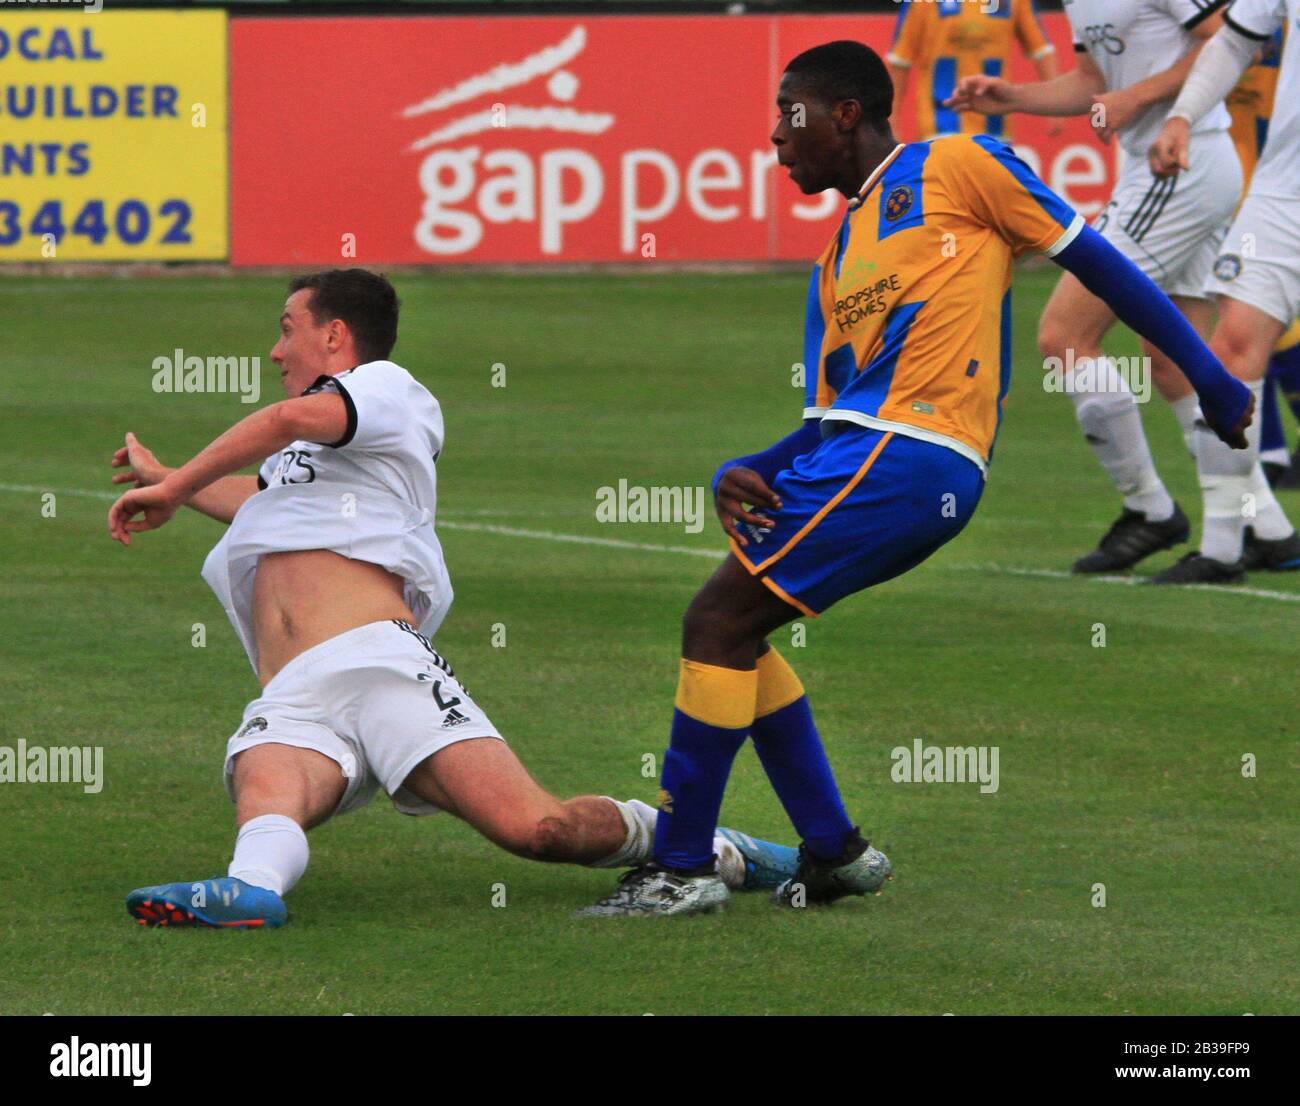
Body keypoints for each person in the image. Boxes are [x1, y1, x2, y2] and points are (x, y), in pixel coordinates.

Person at [582, 40, 1251, 918]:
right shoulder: (832, 266)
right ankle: (834, 853)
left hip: (916, 455)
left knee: (715, 619)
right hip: (864, 451)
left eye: (791, 115)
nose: (777, 141)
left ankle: (680, 868)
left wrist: (1208, 374)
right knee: (738, 633)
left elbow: (1098, 261)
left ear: (847, 112)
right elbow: (833, 415)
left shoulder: (957, 165)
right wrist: (752, 467)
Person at [108, 268, 795, 928]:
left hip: (379, 664)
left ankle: (711, 848)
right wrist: (174, 481)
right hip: (293, 685)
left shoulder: (382, 388)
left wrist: (174, 486)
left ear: (334, 336)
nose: (274, 348)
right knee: (267, 789)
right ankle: (250, 891)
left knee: (538, 829)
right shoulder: (308, 451)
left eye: (287, 328)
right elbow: (267, 507)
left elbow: (286, 416)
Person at [947, 0, 1262, 577]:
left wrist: (1138, 98)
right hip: (1165, 165)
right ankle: (1257, 528)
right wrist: (1012, 95)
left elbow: (1229, 42)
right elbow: (1094, 82)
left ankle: (1150, 509)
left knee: (1065, 336)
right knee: (1174, 362)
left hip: (1180, 164)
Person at [1148, 0, 1300, 580]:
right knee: (1229, 355)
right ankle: (1221, 548)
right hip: (1285, 193)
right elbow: (1235, 41)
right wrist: (1183, 115)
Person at [887, 0, 1061, 142]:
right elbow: (900, 61)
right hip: (941, 123)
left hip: (996, 126)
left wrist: (1054, 103)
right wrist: (891, 119)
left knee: (991, 185)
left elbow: (1041, 51)